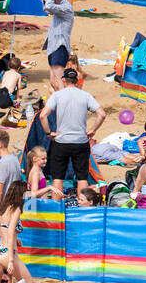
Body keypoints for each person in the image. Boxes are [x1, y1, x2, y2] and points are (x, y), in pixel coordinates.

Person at [39, 67, 105, 196]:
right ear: (77, 80)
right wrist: (93, 130)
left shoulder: (57, 95)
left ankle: (56, 210)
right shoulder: (85, 95)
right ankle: (82, 207)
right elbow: (101, 114)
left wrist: (48, 133)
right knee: (82, 177)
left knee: (58, 177)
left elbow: (43, 115)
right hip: (80, 141)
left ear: (64, 80)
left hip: (61, 141)